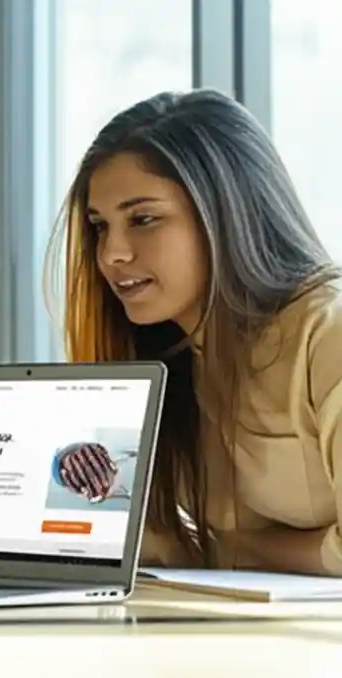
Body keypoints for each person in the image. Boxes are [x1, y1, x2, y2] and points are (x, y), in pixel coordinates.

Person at [49, 88, 342, 576]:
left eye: (143, 219)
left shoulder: (326, 332)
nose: (111, 254)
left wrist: (233, 553)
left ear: (227, 214)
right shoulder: (169, 360)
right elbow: (166, 547)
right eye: (101, 226)